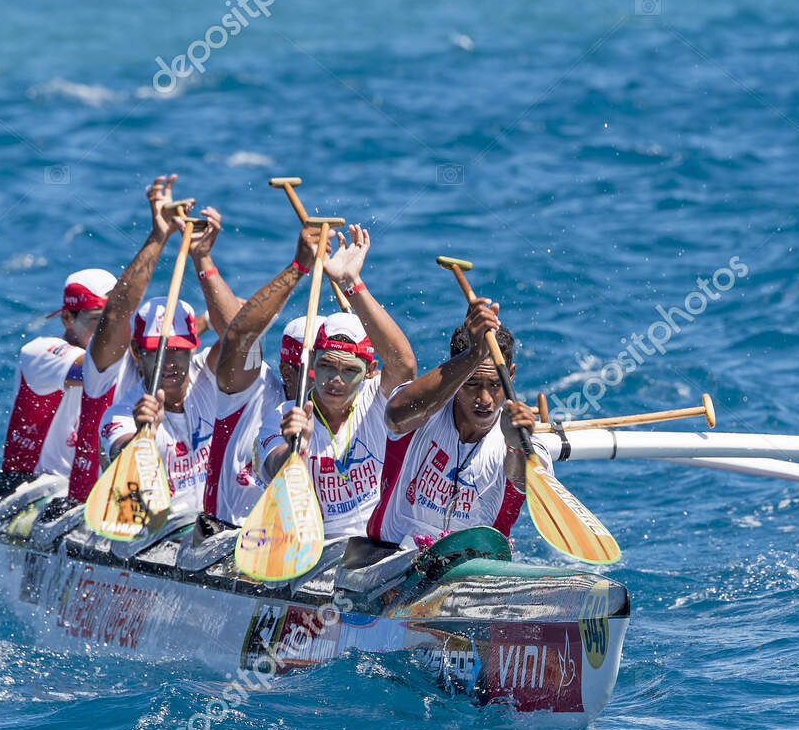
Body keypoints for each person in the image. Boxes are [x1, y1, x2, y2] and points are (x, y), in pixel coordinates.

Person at [207, 225, 415, 533]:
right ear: (297, 366)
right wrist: (296, 450)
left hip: (359, 543)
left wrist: (351, 283)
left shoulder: (370, 395)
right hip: (262, 535)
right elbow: (238, 336)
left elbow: (403, 365)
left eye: (347, 369)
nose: (332, 379)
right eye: (323, 366)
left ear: (367, 371)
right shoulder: (272, 405)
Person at [66, 174, 240, 511]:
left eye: (178, 351)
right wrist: (159, 236)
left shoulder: (205, 375)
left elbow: (240, 338)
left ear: (194, 348)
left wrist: (202, 258)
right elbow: (114, 316)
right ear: (135, 351)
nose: (168, 362)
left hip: (199, 525)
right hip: (113, 512)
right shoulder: (114, 385)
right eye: (157, 352)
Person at [368, 296, 545, 546]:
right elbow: (395, 417)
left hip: (473, 562)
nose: (484, 399)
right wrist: (473, 356)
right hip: (389, 552)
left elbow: (528, 485)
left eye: (495, 385)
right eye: (472, 382)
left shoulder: (521, 438)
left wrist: (516, 446)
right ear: (458, 374)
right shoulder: (424, 409)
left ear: (511, 374)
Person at [0, 267, 116, 504]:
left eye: (114, 320)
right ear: (67, 319)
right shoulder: (39, 353)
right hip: (22, 492)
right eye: (98, 320)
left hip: (78, 490)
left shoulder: (121, 360)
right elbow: (95, 369)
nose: (107, 331)